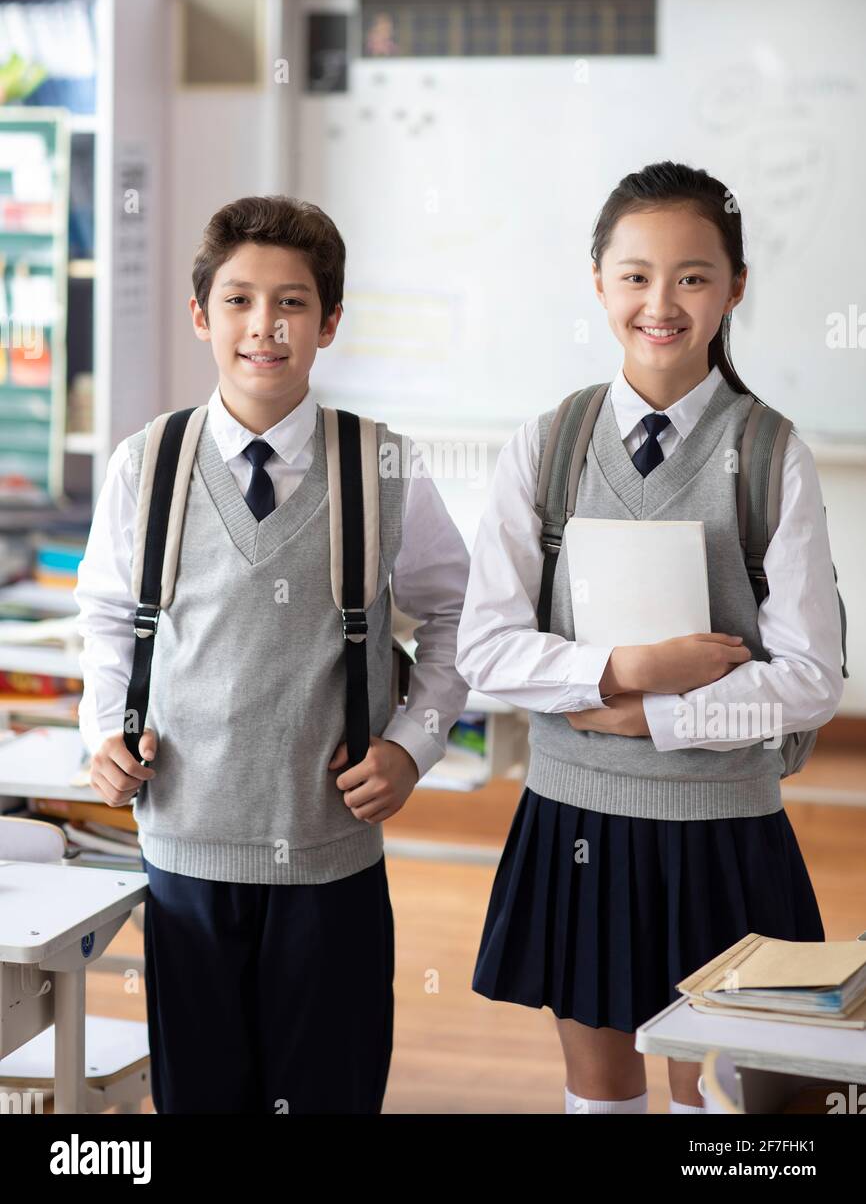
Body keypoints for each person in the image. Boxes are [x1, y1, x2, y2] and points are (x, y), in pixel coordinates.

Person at [455, 160, 845, 1116]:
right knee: (601, 1093)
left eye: (693, 276)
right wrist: (627, 669)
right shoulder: (545, 445)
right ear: (599, 282)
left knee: (737, 1104)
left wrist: (655, 717)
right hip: (575, 819)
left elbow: (809, 680)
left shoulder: (769, 453)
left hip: (723, 829)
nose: (660, 303)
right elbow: (486, 646)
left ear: (734, 288)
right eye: (635, 275)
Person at [75, 194, 470, 1114]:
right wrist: (104, 729)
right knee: (201, 1098)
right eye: (241, 300)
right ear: (201, 314)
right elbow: (105, 620)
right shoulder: (147, 463)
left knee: (325, 1095)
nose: (265, 327)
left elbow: (455, 622)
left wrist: (413, 744)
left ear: (329, 322)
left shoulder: (382, 466)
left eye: (292, 303)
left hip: (328, 860)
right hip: (184, 850)